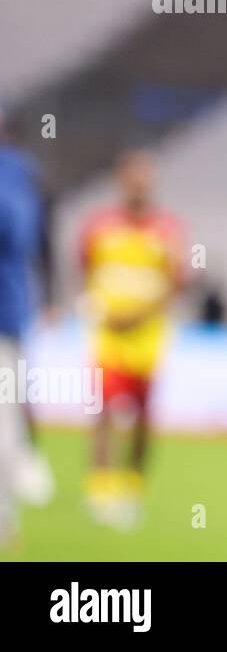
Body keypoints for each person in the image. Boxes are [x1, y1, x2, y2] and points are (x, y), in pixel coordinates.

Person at [80, 151, 186, 529]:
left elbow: (177, 281)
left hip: (148, 337)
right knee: (103, 411)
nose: (138, 187)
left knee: (142, 417)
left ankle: (132, 488)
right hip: (109, 334)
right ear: (122, 182)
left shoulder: (167, 230)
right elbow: (85, 268)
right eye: (133, 179)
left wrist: (139, 313)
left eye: (144, 180)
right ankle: (100, 488)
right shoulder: (100, 226)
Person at [0, 111, 57, 547]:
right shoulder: (22, 177)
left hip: (6, 318)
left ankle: (4, 517)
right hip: (11, 315)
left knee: (7, 419)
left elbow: (21, 234)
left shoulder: (15, 175)